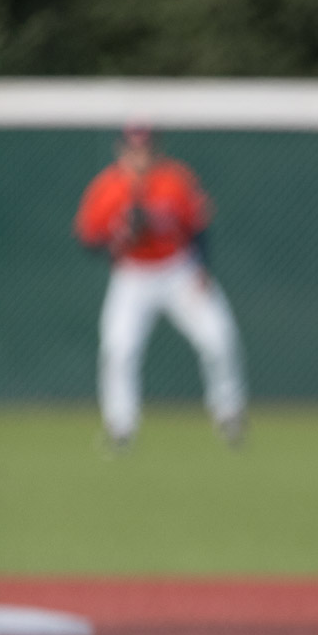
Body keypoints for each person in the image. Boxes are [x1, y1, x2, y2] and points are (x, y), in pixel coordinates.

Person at [73, 126, 247, 449]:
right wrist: (119, 235)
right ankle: (120, 425)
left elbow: (197, 225)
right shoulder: (108, 187)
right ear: (121, 150)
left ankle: (229, 413)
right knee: (119, 349)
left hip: (178, 269)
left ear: (156, 149)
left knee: (218, 337)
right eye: (133, 149)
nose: (140, 155)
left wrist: (202, 268)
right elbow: (88, 240)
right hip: (133, 275)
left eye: (146, 148)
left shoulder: (175, 179)